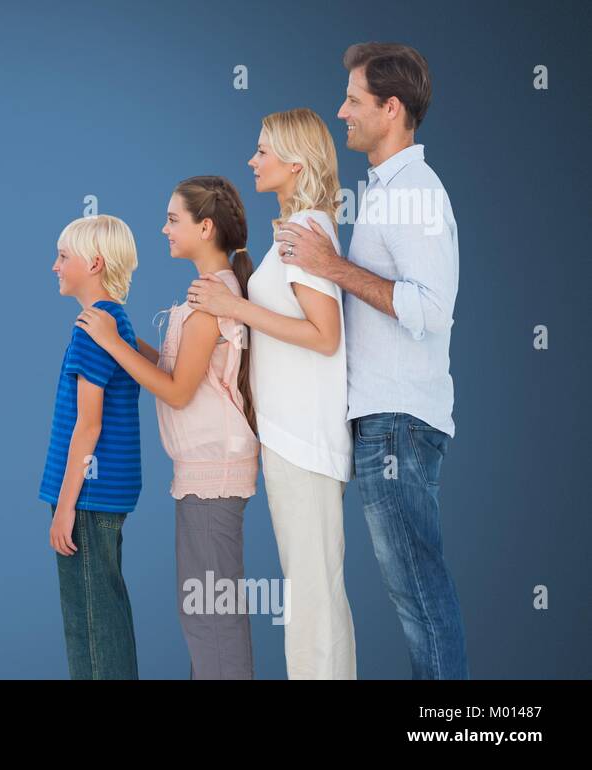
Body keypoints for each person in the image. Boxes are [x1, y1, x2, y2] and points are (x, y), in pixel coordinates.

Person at [274, 43, 466, 679]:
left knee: (420, 597)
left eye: (354, 100)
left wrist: (329, 267)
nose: (342, 111)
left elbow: (431, 307)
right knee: (415, 594)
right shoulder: (387, 191)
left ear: (392, 108)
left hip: (400, 421)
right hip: (386, 422)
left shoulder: (417, 192)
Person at [187, 108, 356, 679]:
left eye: (262, 151)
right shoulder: (299, 228)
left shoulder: (304, 231)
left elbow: (325, 336)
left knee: (311, 589)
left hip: (304, 437)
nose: (251, 161)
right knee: (311, 586)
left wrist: (234, 308)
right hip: (289, 436)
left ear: (295, 162)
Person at [77, 177, 257, 679]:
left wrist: (114, 346)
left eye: (174, 220)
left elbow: (178, 391)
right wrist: (130, 341)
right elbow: (185, 373)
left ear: (205, 226)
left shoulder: (212, 298)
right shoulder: (209, 293)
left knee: (212, 620)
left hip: (212, 480)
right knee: (204, 615)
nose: (164, 229)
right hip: (201, 479)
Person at [39, 214, 143, 679]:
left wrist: (65, 506)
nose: (55, 267)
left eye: (64, 257)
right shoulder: (111, 322)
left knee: (91, 625)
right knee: (98, 616)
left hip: (86, 497)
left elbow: (89, 425)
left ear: (95, 263)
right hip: (98, 495)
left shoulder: (94, 327)